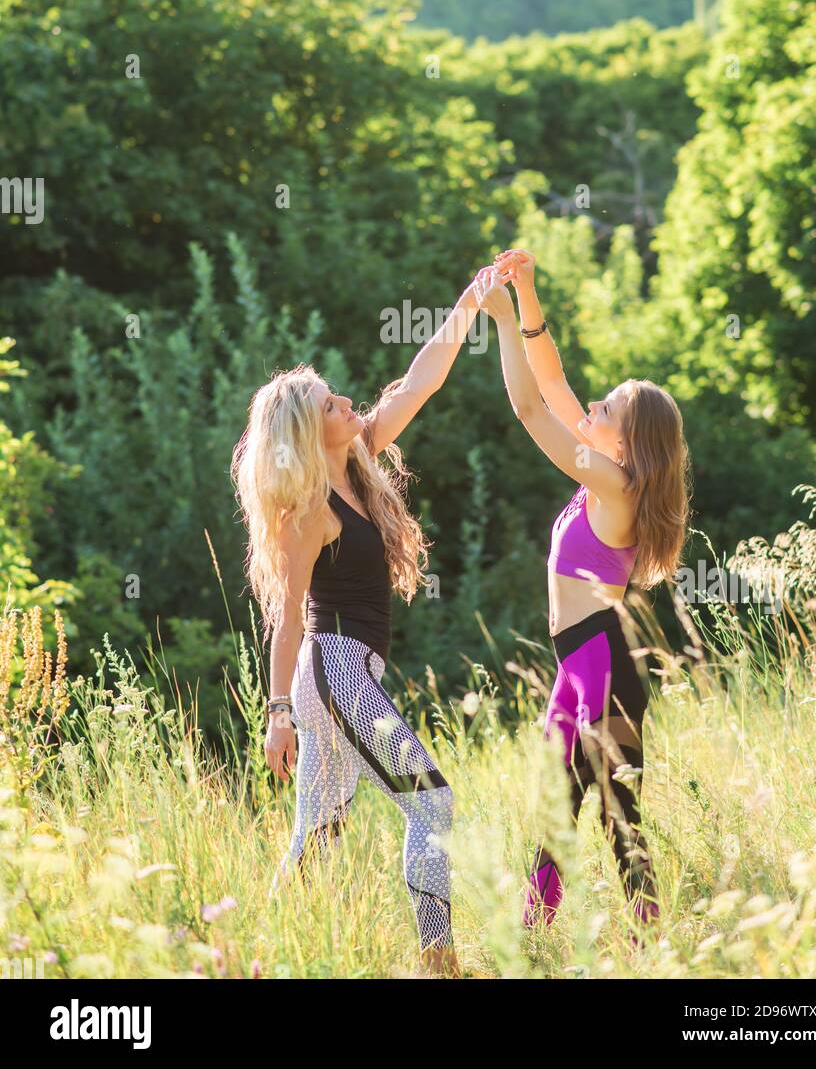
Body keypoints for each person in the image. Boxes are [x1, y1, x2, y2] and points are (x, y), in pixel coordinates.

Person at [230, 281, 481, 977]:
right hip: (331, 670)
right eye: (331, 405)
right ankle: (439, 963)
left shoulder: (360, 459)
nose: (348, 405)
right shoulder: (307, 510)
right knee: (432, 803)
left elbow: (421, 380)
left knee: (314, 839)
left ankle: (249, 964)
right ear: (310, 432)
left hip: (347, 674)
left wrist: (471, 302)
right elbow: (285, 619)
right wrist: (276, 713)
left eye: (340, 399)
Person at [476, 249, 690, 931]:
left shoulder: (616, 488)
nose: (590, 407)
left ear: (627, 443)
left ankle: (573, 935)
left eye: (606, 408)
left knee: (607, 813)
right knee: (579, 807)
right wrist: (527, 297)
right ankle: (556, 934)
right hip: (585, 663)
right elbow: (551, 381)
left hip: (599, 665)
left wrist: (504, 325)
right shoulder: (603, 475)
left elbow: (529, 408)